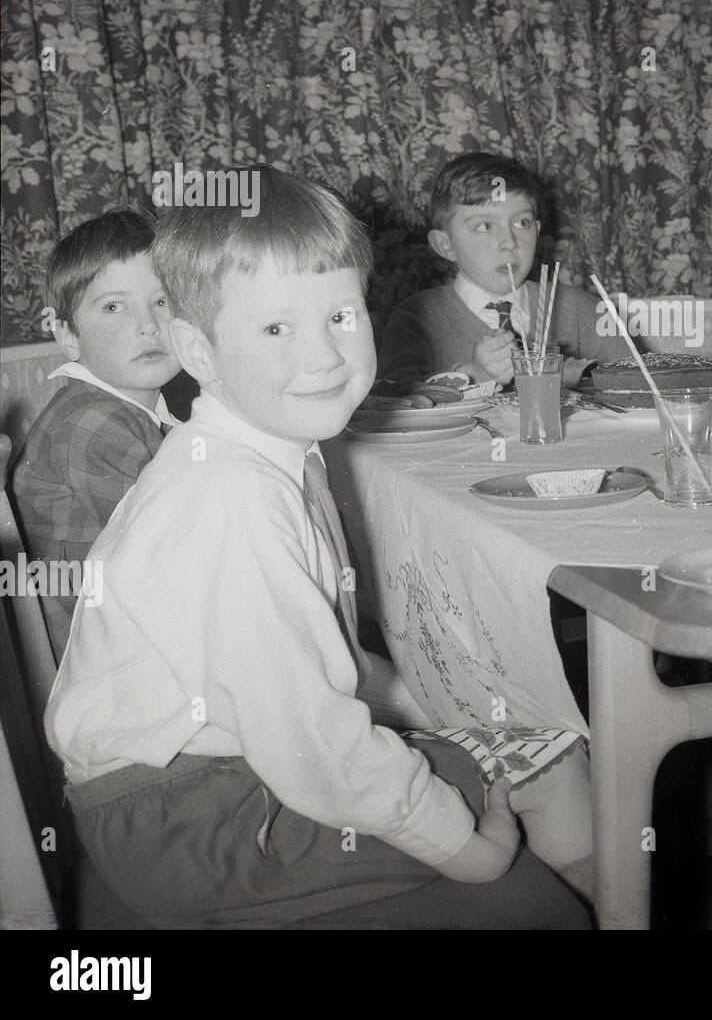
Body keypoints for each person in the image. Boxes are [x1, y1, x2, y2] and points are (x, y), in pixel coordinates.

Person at [44, 168, 590, 929]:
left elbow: (335, 667)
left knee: (525, 759)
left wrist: (442, 721)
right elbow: (307, 738)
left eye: (340, 315)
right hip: (192, 821)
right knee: (551, 784)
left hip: (212, 780)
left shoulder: (267, 456)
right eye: (276, 328)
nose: (327, 356)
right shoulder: (230, 497)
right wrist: (471, 851)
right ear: (198, 349)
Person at [12, 211, 180, 662]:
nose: (147, 324)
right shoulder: (95, 423)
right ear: (68, 336)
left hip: (128, 632)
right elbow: (179, 551)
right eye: (113, 306)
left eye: (163, 301)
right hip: (105, 661)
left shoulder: (126, 408)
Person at [378, 153, 624, 387]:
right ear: (445, 245)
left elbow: (641, 382)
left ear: (538, 230)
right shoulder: (417, 318)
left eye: (522, 223)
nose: (509, 242)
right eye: (484, 226)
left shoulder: (577, 307)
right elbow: (395, 401)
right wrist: (472, 375)